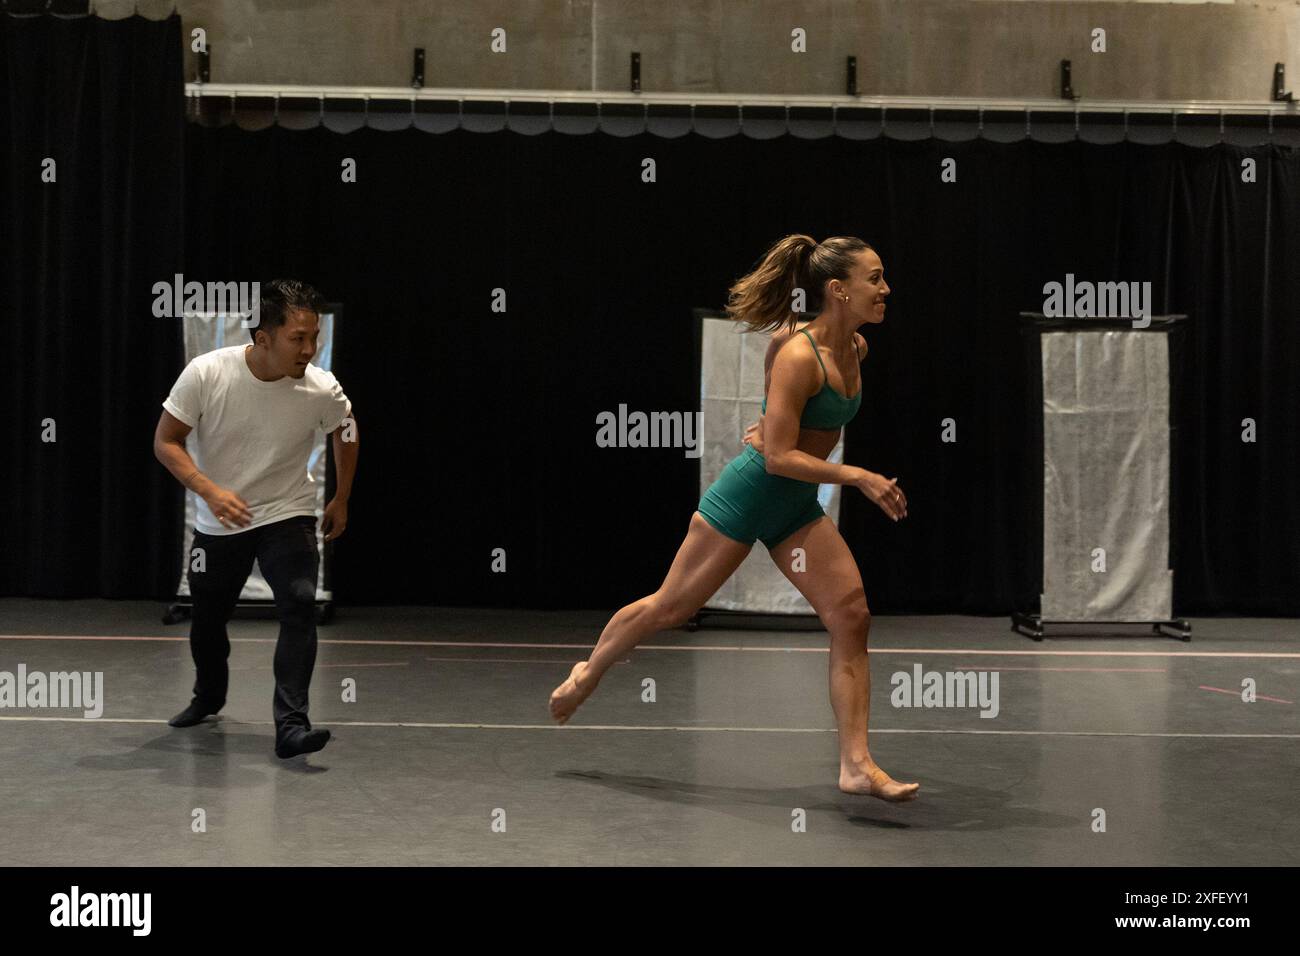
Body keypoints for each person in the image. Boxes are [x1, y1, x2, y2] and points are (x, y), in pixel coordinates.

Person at [548, 235, 918, 802]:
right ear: (839, 290)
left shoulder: (855, 351)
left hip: (793, 504)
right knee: (671, 608)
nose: (886, 288)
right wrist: (856, 475)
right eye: (876, 278)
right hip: (750, 493)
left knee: (851, 615)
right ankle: (588, 672)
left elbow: (792, 421)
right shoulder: (800, 353)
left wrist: (773, 422)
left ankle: (856, 763)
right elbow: (776, 456)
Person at [153, 279, 358, 759]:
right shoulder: (206, 374)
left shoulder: (321, 388)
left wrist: (341, 497)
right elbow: (166, 441)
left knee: (299, 602)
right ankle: (208, 696)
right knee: (208, 619)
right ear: (262, 338)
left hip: (288, 511)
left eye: (315, 336)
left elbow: (345, 428)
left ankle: (291, 725)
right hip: (218, 518)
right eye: (298, 338)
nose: (310, 349)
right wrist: (210, 490)